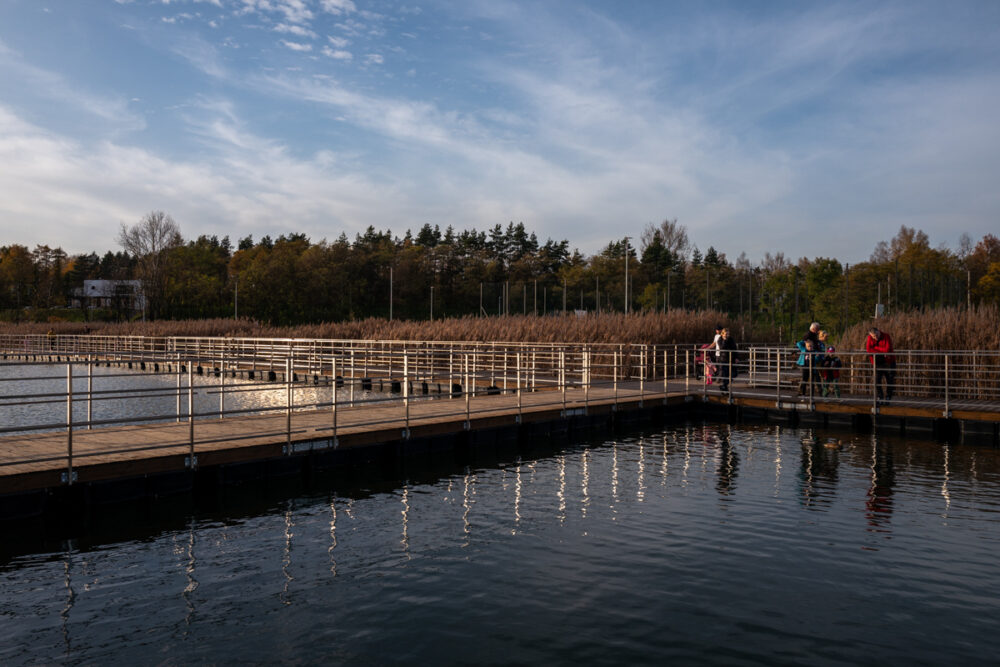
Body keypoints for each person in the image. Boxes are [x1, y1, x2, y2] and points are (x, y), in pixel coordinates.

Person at [865, 327, 896, 402]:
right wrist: (881, 352)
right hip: (878, 362)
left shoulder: (886, 336)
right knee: (877, 380)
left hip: (889, 361)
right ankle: (880, 396)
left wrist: (875, 349)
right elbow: (868, 350)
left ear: (878, 331)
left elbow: (887, 349)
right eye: (873, 336)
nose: (875, 337)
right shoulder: (870, 338)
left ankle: (888, 396)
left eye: (876, 335)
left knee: (890, 380)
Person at [717, 327, 738, 392]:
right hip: (724, 359)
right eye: (726, 334)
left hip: (731, 359)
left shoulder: (731, 339)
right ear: (722, 334)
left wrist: (736, 357)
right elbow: (722, 347)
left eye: (728, 334)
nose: (727, 335)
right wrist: (725, 340)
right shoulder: (720, 340)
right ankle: (724, 386)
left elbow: (734, 348)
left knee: (734, 374)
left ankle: (724, 386)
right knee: (725, 374)